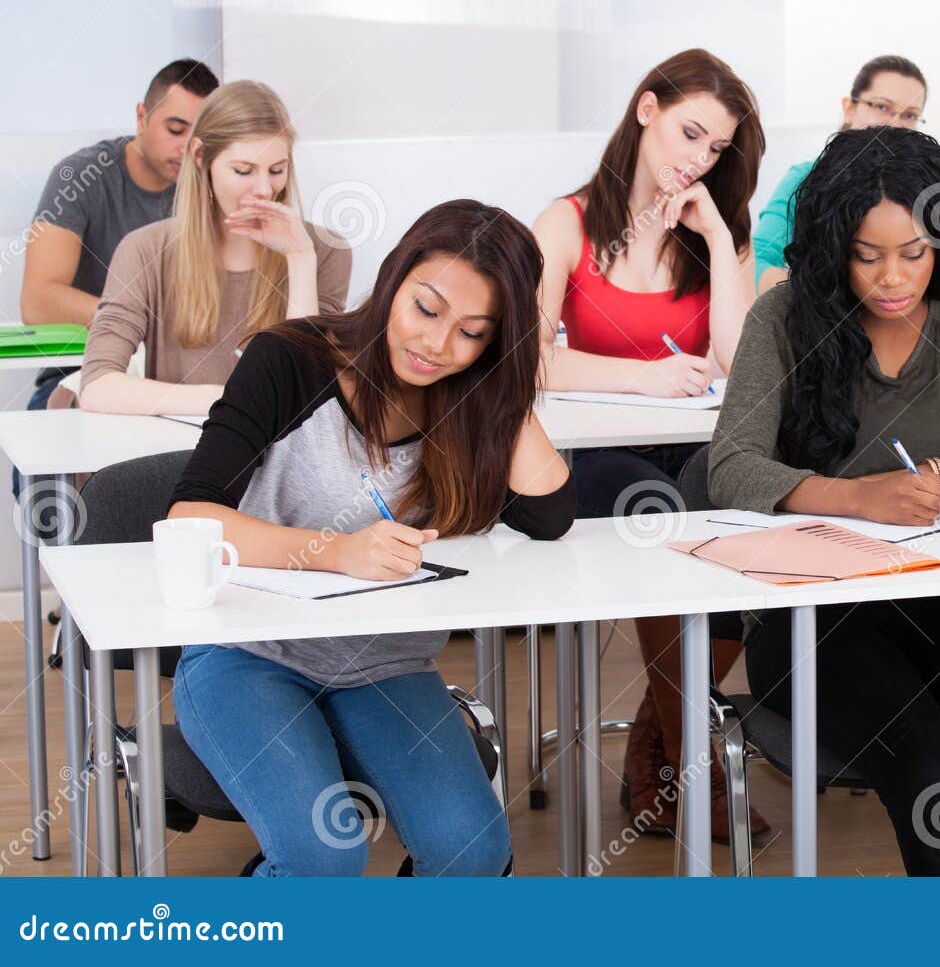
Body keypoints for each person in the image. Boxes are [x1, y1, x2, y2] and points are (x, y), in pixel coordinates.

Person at [711, 126, 940, 876]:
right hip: (812, 619)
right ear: (830, 245)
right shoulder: (780, 322)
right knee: (926, 761)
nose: (893, 278)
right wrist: (856, 497)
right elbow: (731, 466)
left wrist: (935, 479)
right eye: (866, 255)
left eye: (913, 253)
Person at [169, 200, 575, 876]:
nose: (437, 345)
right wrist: (334, 551)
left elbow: (549, 513)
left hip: (382, 663)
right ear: (393, 281)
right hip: (249, 653)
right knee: (324, 858)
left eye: (472, 331)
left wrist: (505, 378)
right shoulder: (289, 360)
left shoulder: (465, 400)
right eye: (426, 308)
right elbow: (192, 517)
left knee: (472, 853)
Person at [530, 48, 769, 841]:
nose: (697, 159)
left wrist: (718, 232)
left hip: (691, 443)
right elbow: (524, 362)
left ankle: (657, 734)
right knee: (664, 513)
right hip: (594, 457)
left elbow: (738, 365)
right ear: (645, 110)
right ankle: (692, 756)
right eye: (688, 133)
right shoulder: (564, 222)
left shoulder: (715, 226)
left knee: (739, 513)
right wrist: (641, 378)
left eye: (715, 148)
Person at [79, 81, 351, 416]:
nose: (264, 189)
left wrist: (299, 258)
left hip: (278, 461)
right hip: (177, 458)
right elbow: (97, 387)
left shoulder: (323, 251)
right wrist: (232, 400)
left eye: (277, 170)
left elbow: (308, 390)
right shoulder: (145, 249)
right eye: (243, 170)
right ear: (200, 156)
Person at [21, 58, 220, 409]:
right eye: (175, 130)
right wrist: (144, 324)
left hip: (178, 378)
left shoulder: (214, 186)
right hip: (78, 369)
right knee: (53, 432)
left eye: (202, 138)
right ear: (142, 117)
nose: (187, 149)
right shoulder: (81, 177)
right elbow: (38, 302)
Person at [752, 54, 926, 293]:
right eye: (882, 107)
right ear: (849, 108)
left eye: (910, 115)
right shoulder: (804, 179)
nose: (895, 124)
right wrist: (816, 309)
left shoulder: (928, 186)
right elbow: (758, 261)